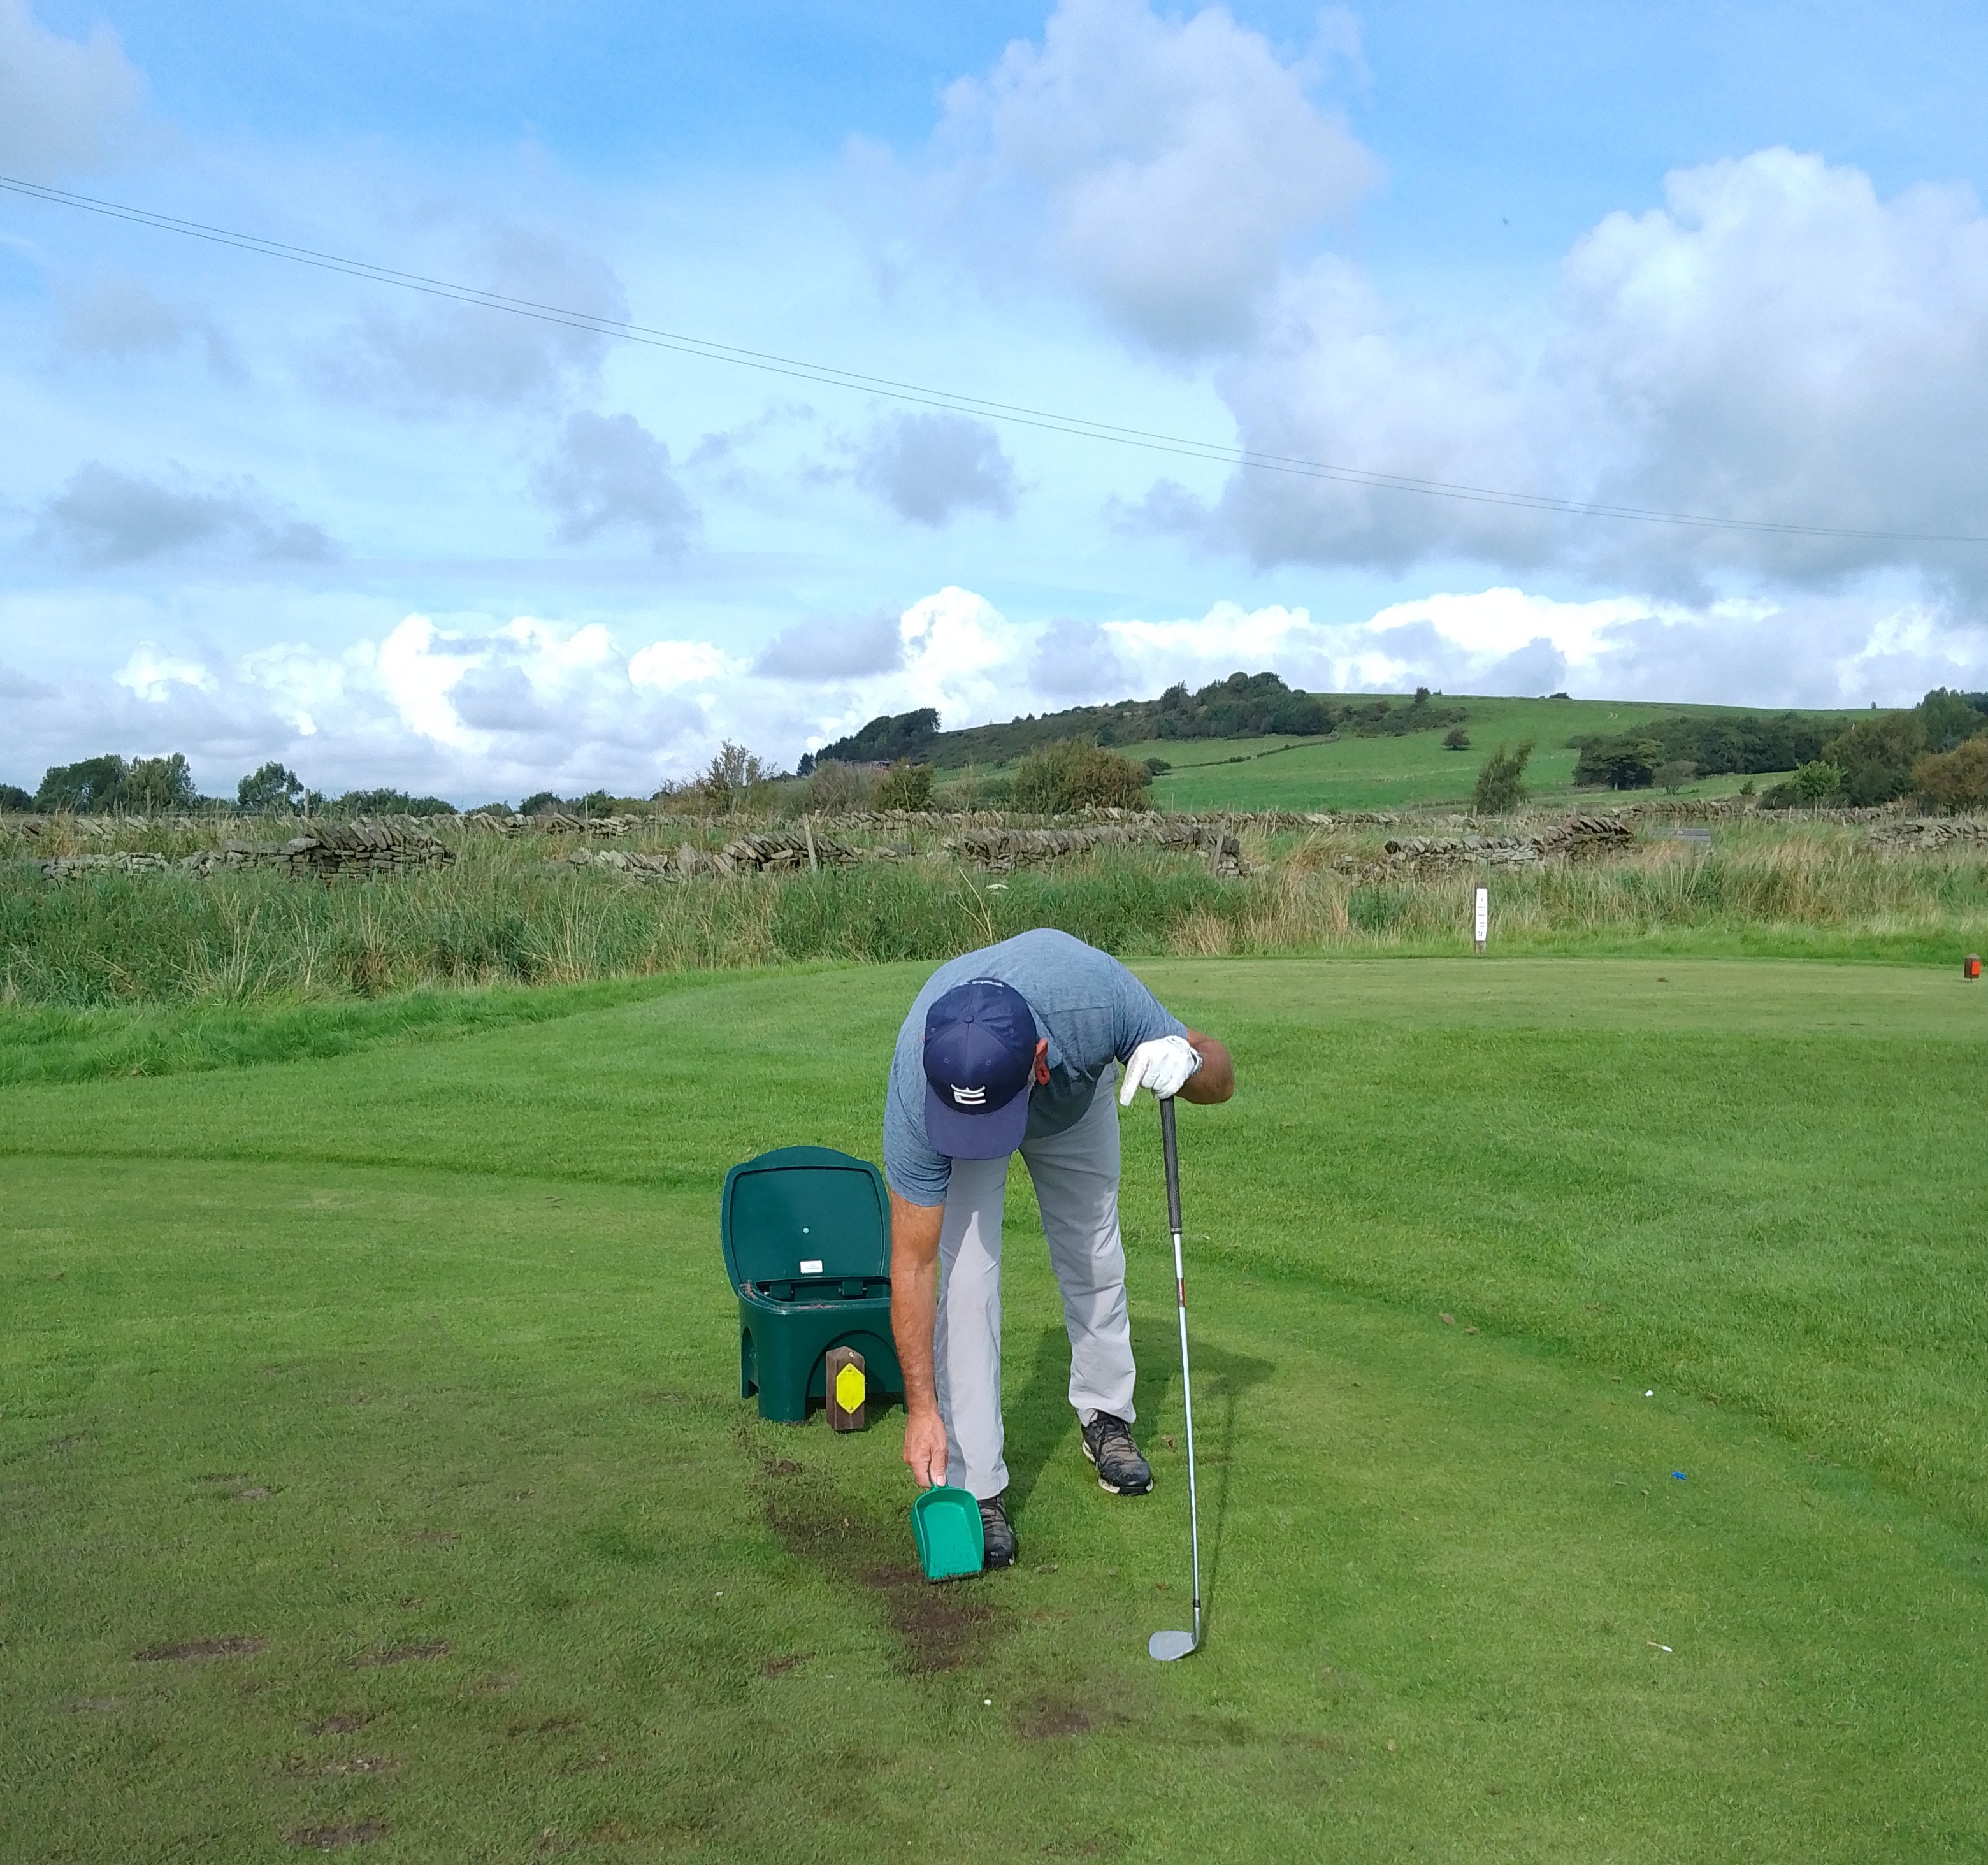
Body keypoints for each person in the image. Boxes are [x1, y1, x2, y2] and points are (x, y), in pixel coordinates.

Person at [882, 928, 1234, 1571]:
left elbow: (1222, 1073)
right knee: (966, 1280)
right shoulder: (921, 1081)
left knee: (1093, 1249)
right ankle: (976, 1482)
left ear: (1039, 1056)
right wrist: (921, 1408)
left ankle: (1106, 1415)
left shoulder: (1093, 995)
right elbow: (913, 1262)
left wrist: (1186, 1066)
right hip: (968, 1097)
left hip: (1072, 1105)